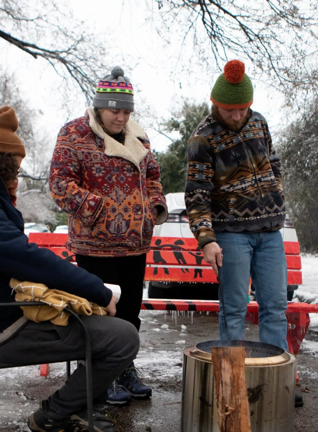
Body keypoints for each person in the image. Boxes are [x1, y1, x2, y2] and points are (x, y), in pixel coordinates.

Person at [0, 106, 138, 432]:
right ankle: (55, 414)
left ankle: (87, 408)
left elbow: (15, 257)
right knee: (123, 338)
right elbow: (26, 258)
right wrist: (97, 289)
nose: (15, 179)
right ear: (0, 164)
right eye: (15, 171)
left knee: (95, 320)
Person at [184, 59, 301, 406]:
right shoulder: (202, 138)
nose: (237, 115)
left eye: (242, 108)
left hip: (270, 232)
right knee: (233, 308)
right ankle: (233, 383)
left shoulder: (259, 122)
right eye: (230, 109)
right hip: (232, 234)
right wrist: (207, 239)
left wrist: (276, 193)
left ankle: (276, 380)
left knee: (275, 307)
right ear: (216, 103)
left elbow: (273, 162)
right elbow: (197, 194)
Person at [49, 66, 167, 405]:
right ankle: (99, 375)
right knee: (100, 313)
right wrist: (100, 210)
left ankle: (123, 367)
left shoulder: (139, 136)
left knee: (130, 312)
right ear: (100, 105)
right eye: (116, 110)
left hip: (135, 244)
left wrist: (154, 207)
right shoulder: (74, 133)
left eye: (127, 110)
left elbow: (154, 177)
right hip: (94, 246)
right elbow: (59, 184)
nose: (122, 117)